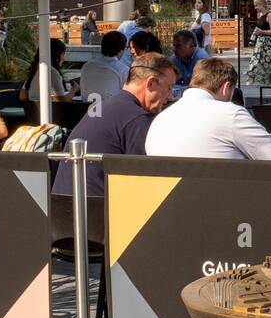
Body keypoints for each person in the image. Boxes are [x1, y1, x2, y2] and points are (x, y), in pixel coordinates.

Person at [54, 52, 175, 198]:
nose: (170, 96)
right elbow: (143, 180)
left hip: (64, 203)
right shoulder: (137, 118)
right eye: (169, 87)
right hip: (97, 211)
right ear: (151, 83)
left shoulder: (105, 107)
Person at [145, 57, 271, 161]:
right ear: (226, 88)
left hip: (168, 205)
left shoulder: (160, 120)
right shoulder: (230, 114)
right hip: (222, 204)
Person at [79, 31, 130, 102]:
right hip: (111, 111)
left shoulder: (87, 66)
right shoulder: (123, 70)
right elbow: (127, 97)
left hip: (87, 111)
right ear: (121, 50)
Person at [20, 38, 75, 103]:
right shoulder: (52, 72)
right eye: (63, 54)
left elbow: (22, 96)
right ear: (57, 55)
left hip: (33, 112)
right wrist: (74, 89)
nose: (64, 58)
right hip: (50, 112)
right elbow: (62, 101)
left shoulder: (35, 70)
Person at [247, 0, 271, 84]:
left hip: (267, 43)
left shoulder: (270, 15)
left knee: (269, 62)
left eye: (256, 5)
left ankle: (270, 80)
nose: (255, 8)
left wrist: (261, 31)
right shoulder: (261, 15)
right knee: (255, 60)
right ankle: (251, 78)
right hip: (260, 42)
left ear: (262, 4)